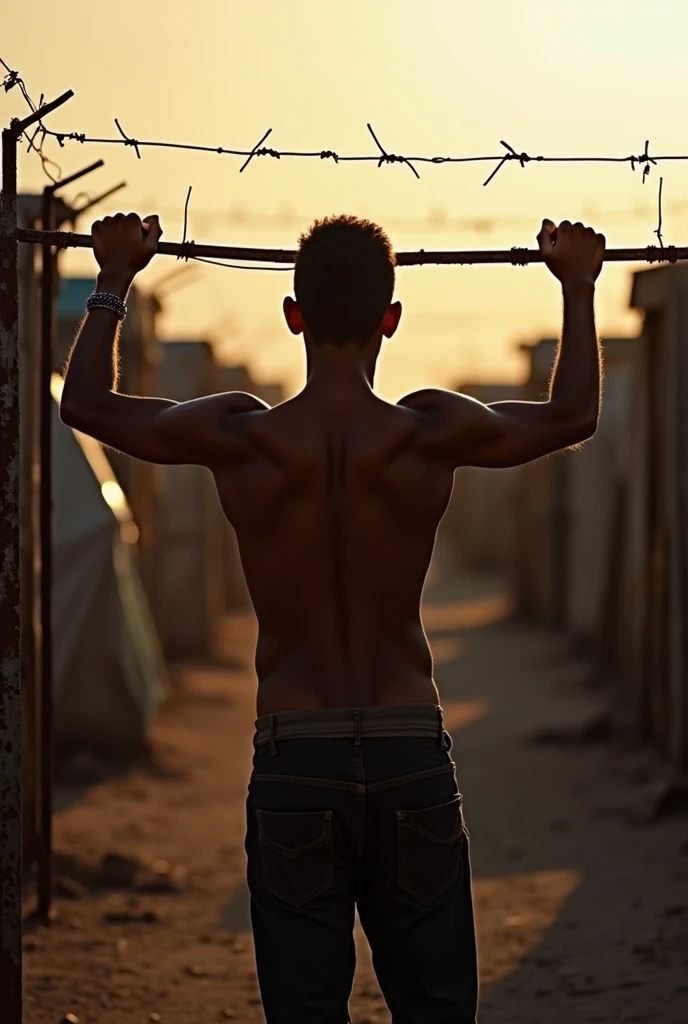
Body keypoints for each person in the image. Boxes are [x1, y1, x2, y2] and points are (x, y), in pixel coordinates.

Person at [61, 211, 605, 1023]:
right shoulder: (428, 431)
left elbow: (87, 405)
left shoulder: (244, 437)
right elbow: (571, 416)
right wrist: (579, 285)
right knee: (437, 1009)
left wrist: (113, 279)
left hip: (296, 752)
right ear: (392, 319)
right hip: (408, 746)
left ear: (294, 315)